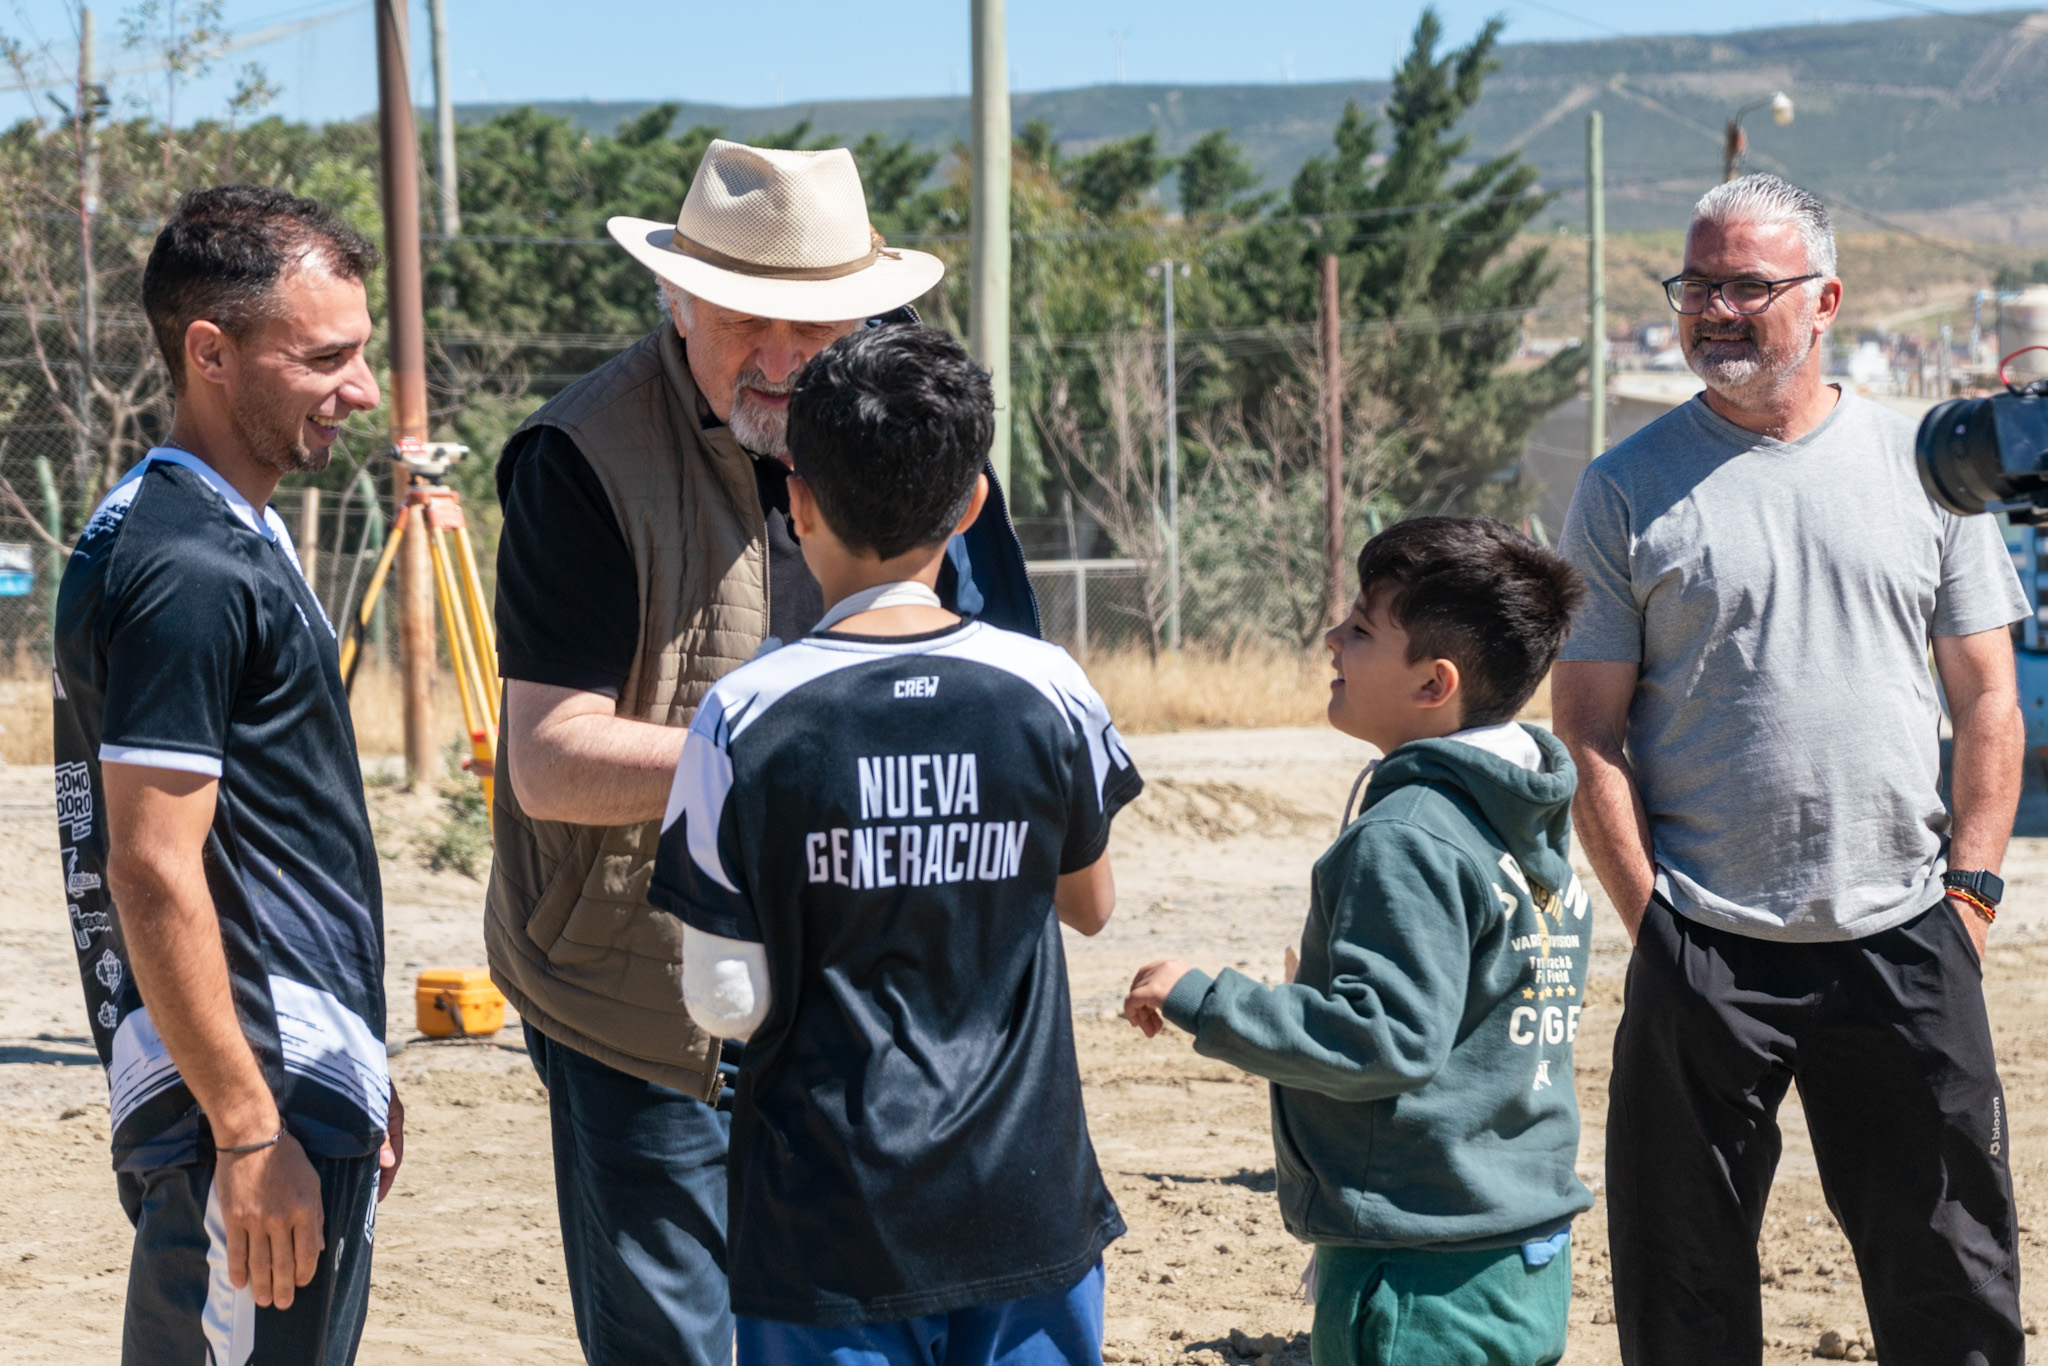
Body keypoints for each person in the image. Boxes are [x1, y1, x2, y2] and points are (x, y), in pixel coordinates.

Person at [483, 138, 1042, 1363]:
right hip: (640, 990)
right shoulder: (579, 458)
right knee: (678, 1342)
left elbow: (1007, 695)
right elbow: (548, 760)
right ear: (675, 298)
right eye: (747, 324)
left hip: (875, 1004)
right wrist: (777, 763)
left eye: (819, 330)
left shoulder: (925, 449)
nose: (785, 364)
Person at [1553, 173, 2030, 1364]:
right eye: (1694, 284)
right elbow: (1588, 728)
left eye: (1743, 286)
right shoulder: (1622, 487)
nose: (1712, 308)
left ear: (1821, 300)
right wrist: (1653, 919)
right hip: (1703, 943)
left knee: (1950, 1281)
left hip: (1906, 930)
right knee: (1683, 1288)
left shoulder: (1927, 465)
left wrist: (1967, 890)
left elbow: (1985, 698)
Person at [646, 324, 1141, 1364]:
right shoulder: (1049, 686)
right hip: (1025, 1195)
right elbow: (1090, 905)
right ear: (969, 508)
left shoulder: (739, 713)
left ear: (799, 499)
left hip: (823, 1215)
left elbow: (720, 999)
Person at [50, 185, 401, 1366]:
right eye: (326, 358)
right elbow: (151, 862)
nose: (359, 390)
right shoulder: (188, 565)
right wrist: (251, 1131)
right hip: (243, 1105)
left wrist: (358, 1060)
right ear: (210, 352)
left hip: (285, 1077)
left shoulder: (224, 531)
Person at [1123, 516, 1592, 1366]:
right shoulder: (1525, 819)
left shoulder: (1410, 833)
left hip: (1419, 1276)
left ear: (1434, 683)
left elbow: (1386, 1039)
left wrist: (1204, 998)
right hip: (1516, 1251)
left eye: (1363, 629)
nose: (1332, 638)